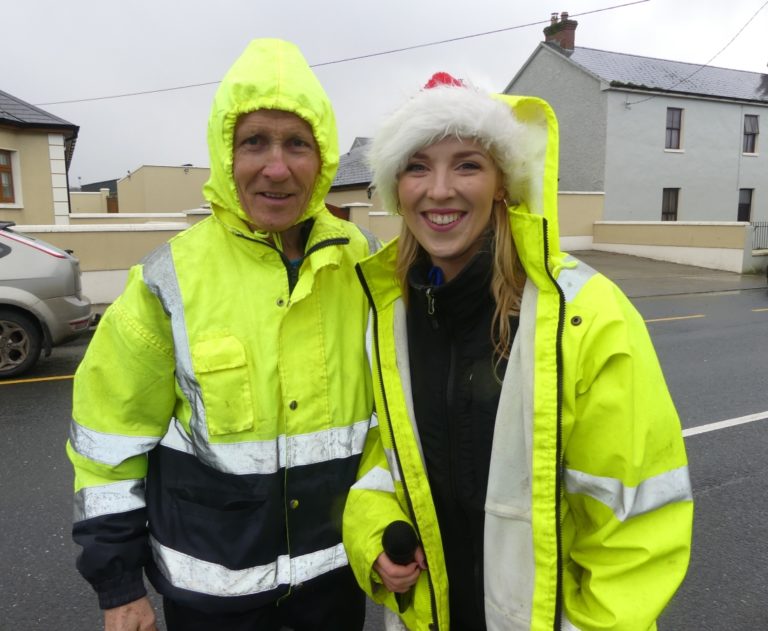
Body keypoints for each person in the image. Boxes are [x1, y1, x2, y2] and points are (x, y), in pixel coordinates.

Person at [342, 73, 694, 631]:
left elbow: (635, 523)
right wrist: (372, 538)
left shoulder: (585, 314)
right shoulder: (390, 313)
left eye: (467, 164)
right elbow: (384, 456)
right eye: (416, 166)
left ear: (503, 181)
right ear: (395, 189)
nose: (439, 189)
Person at [67, 38, 376, 631]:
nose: (276, 167)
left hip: (334, 590)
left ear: (325, 157)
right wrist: (119, 587)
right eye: (254, 141)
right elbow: (108, 450)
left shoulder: (364, 265)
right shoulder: (168, 279)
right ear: (223, 153)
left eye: (297, 144)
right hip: (214, 603)